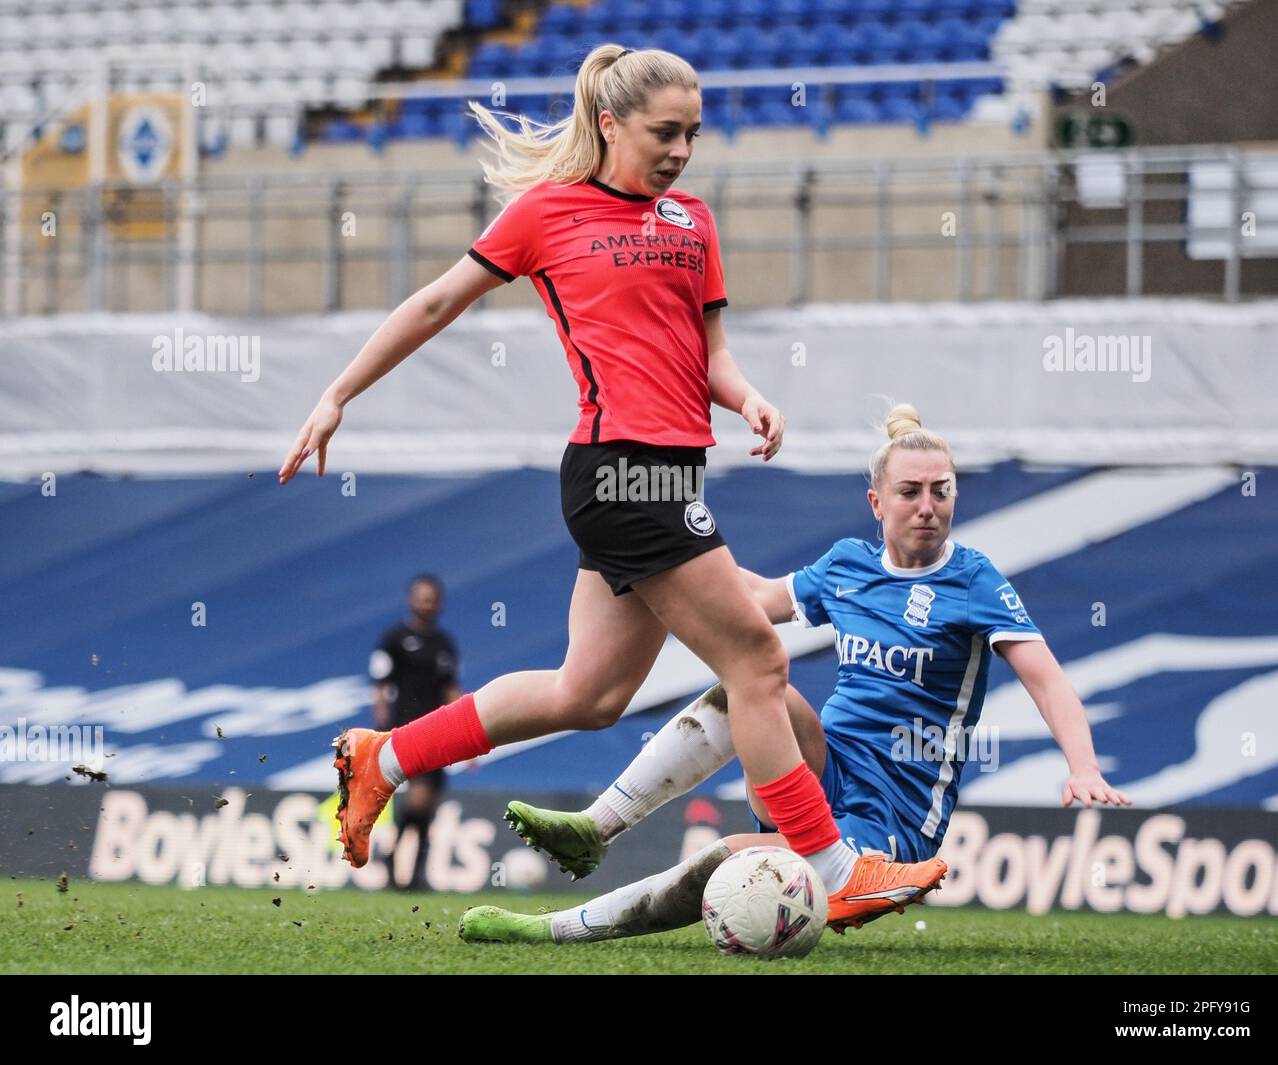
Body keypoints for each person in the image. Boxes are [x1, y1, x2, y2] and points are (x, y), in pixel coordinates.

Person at [277, 46, 946, 930]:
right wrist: (337, 393)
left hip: (669, 471)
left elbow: (706, 356)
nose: (680, 149)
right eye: (664, 132)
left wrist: (746, 397)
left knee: (587, 695)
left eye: (693, 134)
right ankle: (833, 865)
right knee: (757, 660)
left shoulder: (693, 222)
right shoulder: (547, 213)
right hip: (621, 473)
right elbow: (437, 303)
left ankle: (384, 759)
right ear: (610, 124)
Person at [460, 404, 1132, 945]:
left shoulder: (975, 580)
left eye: (941, 491)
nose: (927, 505)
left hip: (889, 821)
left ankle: (551, 928)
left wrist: (1083, 765)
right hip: (817, 770)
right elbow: (753, 600)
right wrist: (659, 555)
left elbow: (1045, 677)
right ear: (877, 502)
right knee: (752, 684)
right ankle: (594, 829)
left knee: (723, 860)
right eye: (910, 492)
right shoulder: (847, 565)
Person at [371, 574, 460, 890]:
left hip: (439, 731)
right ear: (411, 600)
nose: (428, 603)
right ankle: (396, 861)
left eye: (433, 598)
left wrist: (462, 727)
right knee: (418, 801)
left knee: (430, 804)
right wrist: (382, 728)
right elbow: (381, 687)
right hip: (406, 731)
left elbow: (451, 688)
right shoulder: (394, 639)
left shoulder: (444, 644)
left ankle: (411, 870)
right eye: (423, 597)